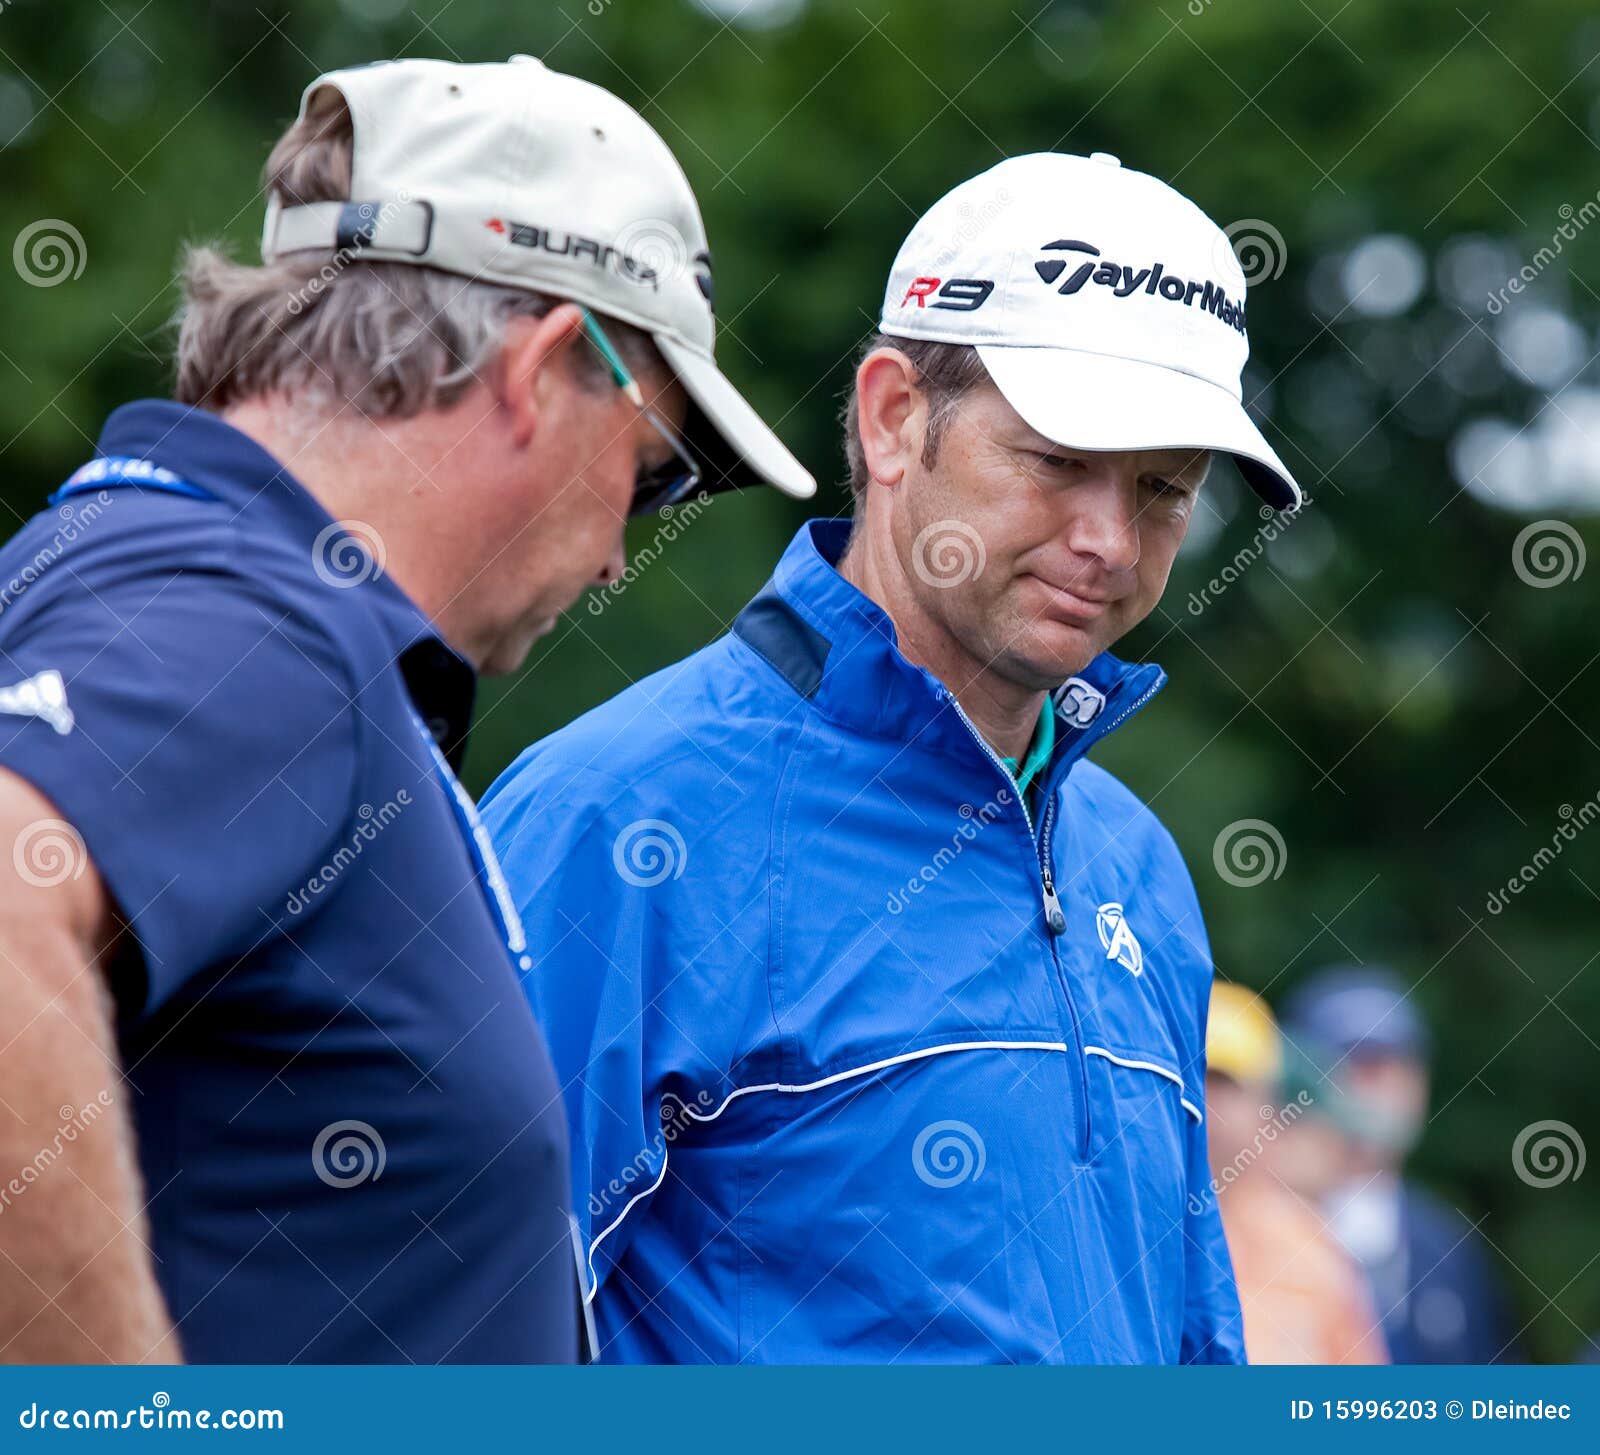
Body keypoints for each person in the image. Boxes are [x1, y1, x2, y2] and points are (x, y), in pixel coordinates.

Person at [0, 55, 812, 1364]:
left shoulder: (169, 574)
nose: (619, 558)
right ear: (542, 367)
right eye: (656, 477)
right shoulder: (258, 622)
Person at [484, 150, 1305, 1363]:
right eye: (1058, 461)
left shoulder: (1135, 864)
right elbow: (436, 1337)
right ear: (890, 417)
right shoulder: (610, 821)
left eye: (1164, 491)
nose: (1106, 540)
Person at [1281, 965, 1519, 1364]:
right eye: (1350, 1062)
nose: (1376, 1085)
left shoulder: (1448, 1244)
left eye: (1394, 1064)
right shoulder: (1245, 1233)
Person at [1204, 983, 1388, 1364]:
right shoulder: (1134, 1233)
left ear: (1267, 1104)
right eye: (1196, 1080)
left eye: (1225, 1083)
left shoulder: (1311, 1248)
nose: (1209, 1102)